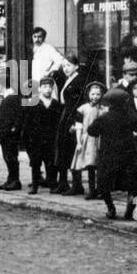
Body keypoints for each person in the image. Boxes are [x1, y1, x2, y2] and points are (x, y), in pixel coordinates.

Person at [87, 86, 137, 219]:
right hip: (128, 154)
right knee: (132, 184)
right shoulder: (130, 117)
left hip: (108, 155)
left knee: (104, 183)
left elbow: (91, 131)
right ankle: (130, 210)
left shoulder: (104, 118)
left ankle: (111, 209)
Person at [23, 76, 62, 194]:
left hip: (50, 138)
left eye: (50, 87)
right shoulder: (33, 103)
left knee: (51, 162)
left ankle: (52, 184)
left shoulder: (55, 104)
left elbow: (58, 122)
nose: (48, 89)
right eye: (45, 87)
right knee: (35, 163)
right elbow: (27, 123)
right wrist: (28, 140)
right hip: (36, 139)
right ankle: (35, 185)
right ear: (39, 89)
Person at [54, 56, 86, 194]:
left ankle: (77, 184)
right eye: (64, 66)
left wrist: (75, 123)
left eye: (68, 65)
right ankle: (63, 182)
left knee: (72, 151)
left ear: (76, 66)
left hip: (71, 118)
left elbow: (79, 104)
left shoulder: (79, 81)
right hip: (65, 116)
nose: (66, 69)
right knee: (62, 150)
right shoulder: (68, 80)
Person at [72, 81, 106, 200]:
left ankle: (102, 190)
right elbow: (79, 126)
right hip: (89, 139)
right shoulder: (83, 109)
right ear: (88, 94)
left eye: (98, 94)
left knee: (101, 166)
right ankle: (92, 190)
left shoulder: (105, 109)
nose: (95, 97)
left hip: (101, 139)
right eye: (92, 94)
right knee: (90, 165)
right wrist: (79, 142)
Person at [0, 86, 24, 190]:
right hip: (5, 132)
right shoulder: (8, 97)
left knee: (11, 156)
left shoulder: (13, 98)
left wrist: (14, 128)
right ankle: (10, 179)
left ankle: (15, 181)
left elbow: (18, 116)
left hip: (10, 133)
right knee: (7, 156)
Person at [30, 27, 67, 97]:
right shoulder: (33, 49)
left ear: (44, 37)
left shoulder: (48, 48)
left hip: (46, 81)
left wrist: (50, 71)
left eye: (39, 37)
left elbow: (60, 60)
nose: (37, 39)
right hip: (36, 82)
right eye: (34, 37)